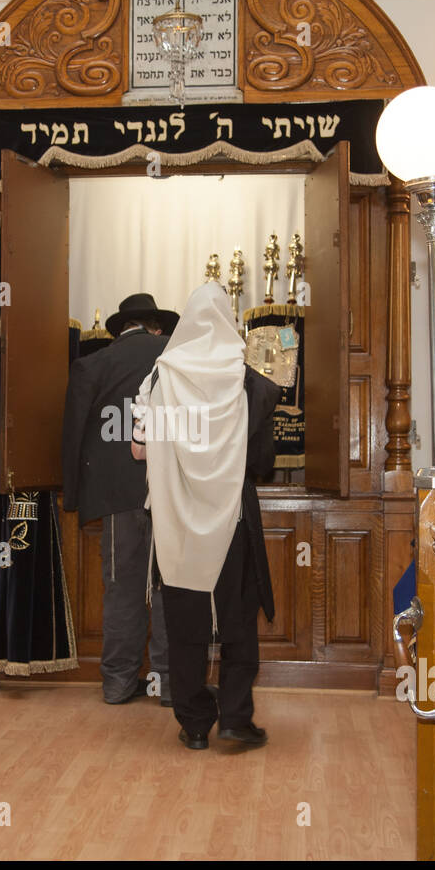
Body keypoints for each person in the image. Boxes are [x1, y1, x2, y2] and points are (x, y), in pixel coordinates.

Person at [132, 283, 281, 749]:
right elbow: (262, 463)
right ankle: (236, 718)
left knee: (186, 623)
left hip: (177, 520)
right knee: (238, 618)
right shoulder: (250, 382)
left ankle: (195, 723)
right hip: (233, 519)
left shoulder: (161, 376)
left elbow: (138, 448)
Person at [61, 293, 178, 705]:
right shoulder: (175, 356)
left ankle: (118, 682)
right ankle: (168, 683)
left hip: (115, 497)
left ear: (119, 330)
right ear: (156, 325)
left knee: (123, 588)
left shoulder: (92, 364)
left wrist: (74, 498)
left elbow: (73, 435)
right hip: (172, 491)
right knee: (172, 588)